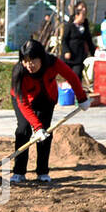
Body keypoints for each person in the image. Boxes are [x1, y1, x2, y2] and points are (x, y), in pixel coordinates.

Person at [9, 39, 88, 184]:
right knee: (23, 130)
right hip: (23, 99)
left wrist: (82, 98)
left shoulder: (52, 63)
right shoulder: (19, 73)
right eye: (25, 61)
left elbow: (71, 76)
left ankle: (42, 172)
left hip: (46, 98)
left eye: (32, 61)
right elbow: (23, 103)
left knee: (45, 134)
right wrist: (36, 127)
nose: (29, 65)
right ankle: (19, 172)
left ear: (41, 58)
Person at [60, 1, 93, 83]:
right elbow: (64, 40)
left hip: (79, 56)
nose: (84, 18)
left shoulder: (84, 25)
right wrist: (66, 51)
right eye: (82, 15)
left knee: (77, 75)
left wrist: (94, 51)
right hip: (70, 57)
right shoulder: (70, 26)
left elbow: (88, 39)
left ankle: (77, 93)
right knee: (68, 77)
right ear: (77, 15)